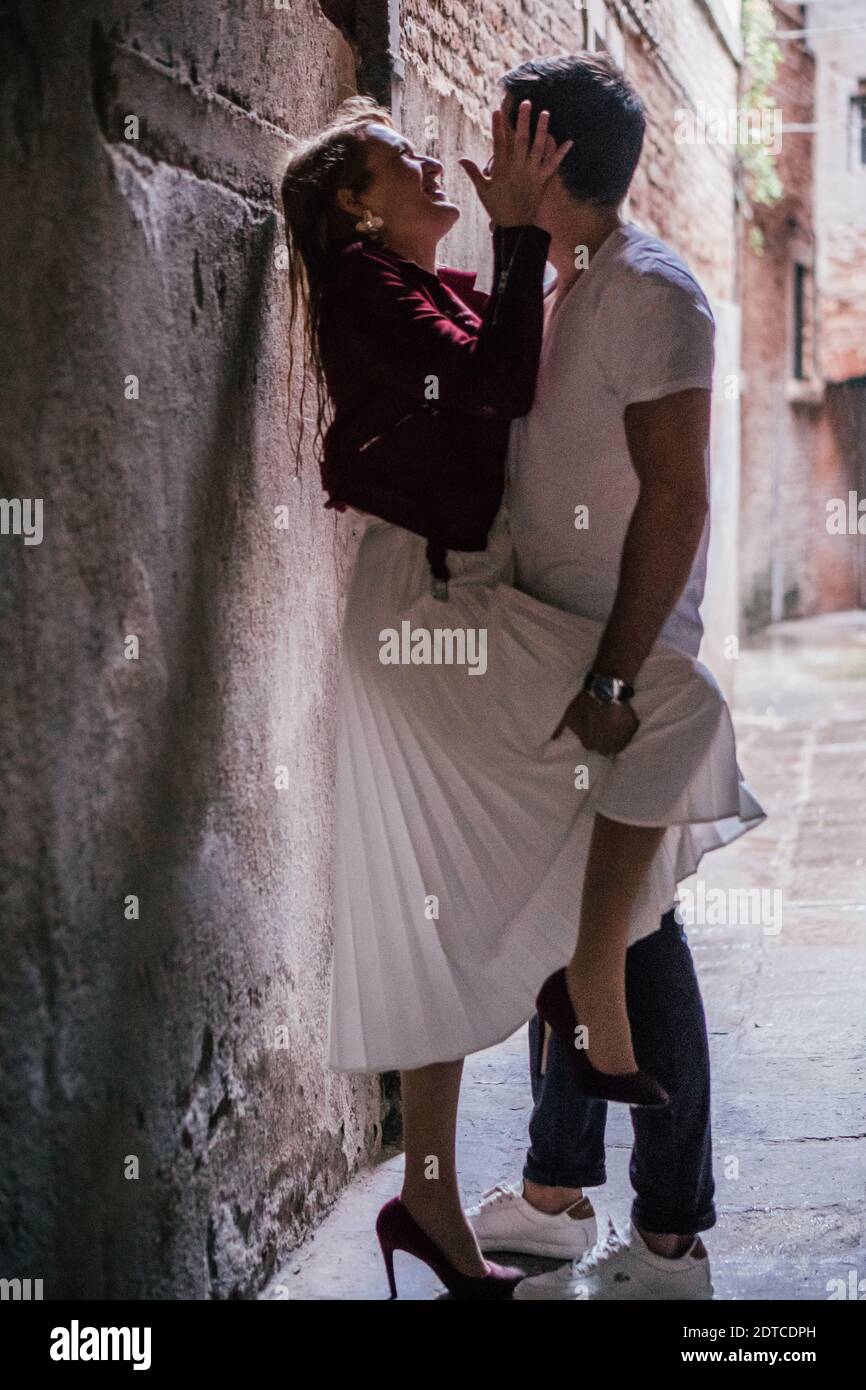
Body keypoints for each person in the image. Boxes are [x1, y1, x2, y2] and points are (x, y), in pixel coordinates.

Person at [280, 88, 763, 1299]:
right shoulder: (408, 286)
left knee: (502, 904)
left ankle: (514, 1207)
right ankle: (584, 1189)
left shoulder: (602, 289)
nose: (455, 156)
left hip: (520, 618)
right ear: (354, 202)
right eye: (400, 156)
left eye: (499, 141)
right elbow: (486, 393)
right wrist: (513, 239)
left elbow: (624, 466)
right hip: (446, 613)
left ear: (543, 151)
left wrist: (513, 245)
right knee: (630, 810)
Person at [468, 52, 753, 1301]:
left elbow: (677, 500)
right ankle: (548, 1194)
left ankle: (673, 1238)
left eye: (501, 136)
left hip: (616, 668)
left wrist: (621, 682)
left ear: (542, 144)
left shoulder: (651, 293)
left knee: (632, 941)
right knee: (570, 933)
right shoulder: (561, 277)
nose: (485, 154)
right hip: (553, 658)